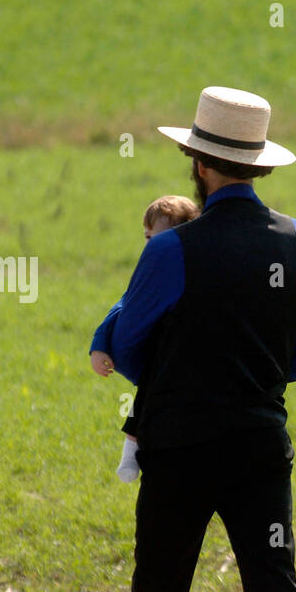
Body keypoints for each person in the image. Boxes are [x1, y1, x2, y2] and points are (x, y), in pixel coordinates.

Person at [51, 86, 296, 592]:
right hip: (261, 445)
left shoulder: (171, 248)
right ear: (259, 165)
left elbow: (132, 341)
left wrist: (183, 377)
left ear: (198, 163)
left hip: (179, 447)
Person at [90, 194, 200, 482]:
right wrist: (99, 345)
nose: (151, 246)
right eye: (148, 238)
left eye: (158, 238)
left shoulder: (192, 265)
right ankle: (129, 454)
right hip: (157, 364)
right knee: (146, 394)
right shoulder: (153, 266)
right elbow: (124, 305)